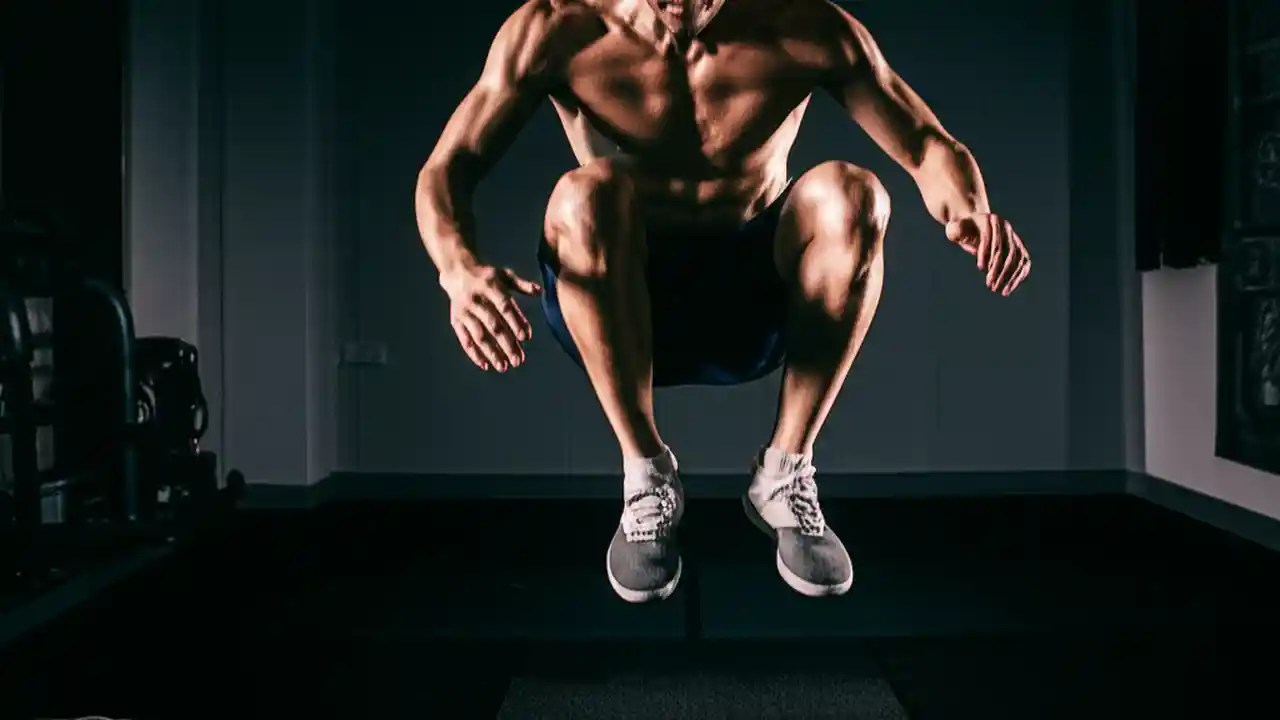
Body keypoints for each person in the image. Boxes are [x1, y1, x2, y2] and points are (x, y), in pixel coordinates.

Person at [414, 0, 1031, 603]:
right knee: (584, 192)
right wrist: (457, 267)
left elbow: (924, 143)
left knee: (855, 194)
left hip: (752, 314)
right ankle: (645, 477)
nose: (683, 9)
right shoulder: (559, 28)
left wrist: (971, 209)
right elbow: (449, 166)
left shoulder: (804, 25)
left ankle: (786, 472)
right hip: (619, 308)